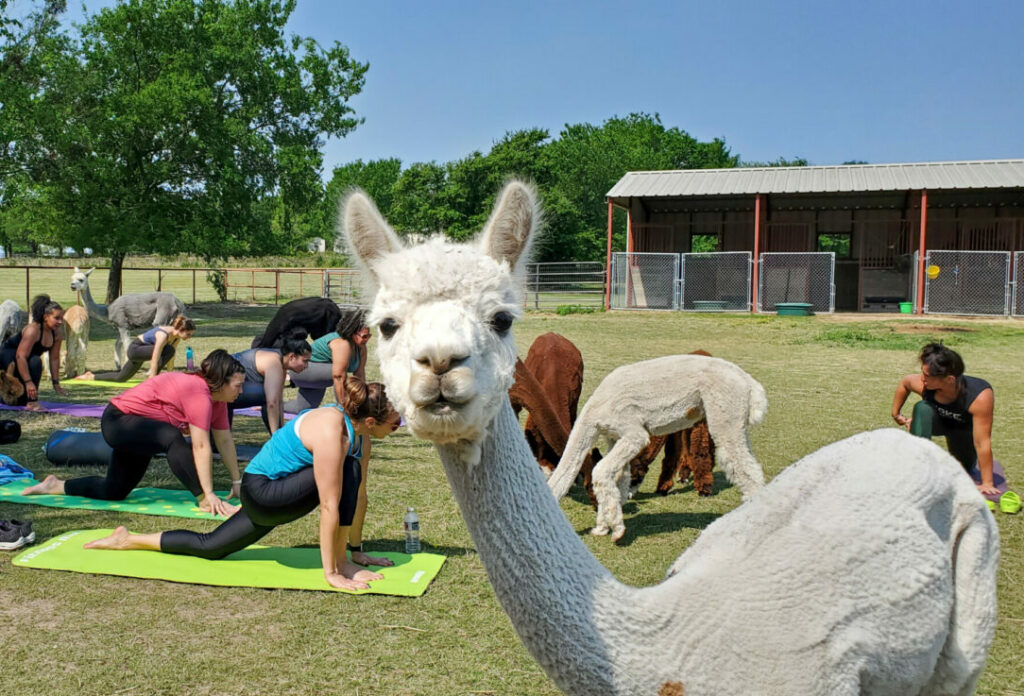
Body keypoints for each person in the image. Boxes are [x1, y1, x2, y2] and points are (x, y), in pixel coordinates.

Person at [84, 377, 402, 591]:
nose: (398, 428)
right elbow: (331, 505)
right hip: (264, 494)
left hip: (268, 494)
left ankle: (128, 538)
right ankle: (339, 563)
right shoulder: (333, 432)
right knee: (349, 470)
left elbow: (355, 498)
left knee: (210, 547)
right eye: (395, 424)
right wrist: (334, 570)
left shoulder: (355, 431)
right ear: (370, 421)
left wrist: (356, 551)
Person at [25, 349, 245, 517]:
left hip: (140, 429)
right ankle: (203, 499)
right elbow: (201, 446)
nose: (241, 391)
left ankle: (56, 485)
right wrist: (208, 494)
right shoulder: (198, 391)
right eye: (237, 385)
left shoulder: (218, 401)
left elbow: (224, 441)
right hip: (118, 422)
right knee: (171, 438)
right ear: (220, 382)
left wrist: (236, 482)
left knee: (113, 491)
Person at [891, 342, 1005, 499]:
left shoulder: (979, 396)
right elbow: (905, 383)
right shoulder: (924, 384)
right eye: (922, 372)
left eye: (927, 376)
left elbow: (982, 442)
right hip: (937, 422)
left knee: (963, 468)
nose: (922, 378)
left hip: (962, 431)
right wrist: (896, 414)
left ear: (949, 379)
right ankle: (918, 471)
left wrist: (987, 483)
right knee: (922, 408)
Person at [284, 308, 369, 413]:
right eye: (364, 336)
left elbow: (359, 374)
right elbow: (338, 377)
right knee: (339, 372)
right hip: (302, 369)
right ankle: (343, 409)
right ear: (352, 332)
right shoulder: (341, 343)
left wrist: (363, 399)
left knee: (302, 409)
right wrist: (344, 407)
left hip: (319, 374)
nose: (367, 339)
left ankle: (271, 404)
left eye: (369, 336)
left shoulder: (361, 347)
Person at [230, 329, 311, 433]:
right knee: (269, 395)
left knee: (273, 395)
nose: (306, 366)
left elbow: (279, 401)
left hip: (225, 388)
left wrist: (281, 431)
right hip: (220, 388)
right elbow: (272, 403)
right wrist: (276, 436)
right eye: (305, 361)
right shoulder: (274, 362)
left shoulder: (281, 363)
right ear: (292, 357)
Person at [75, 315, 196, 382]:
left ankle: (91, 376)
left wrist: (170, 375)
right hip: (135, 350)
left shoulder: (176, 338)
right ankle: (153, 379)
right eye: (188, 334)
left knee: (121, 377)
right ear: (181, 330)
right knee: (168, 350)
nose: (189, 337)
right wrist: (153, 377)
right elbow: (156, 356)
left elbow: (170, 358)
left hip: (143, 351)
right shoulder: (163, 335)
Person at [0, 294, 69, 410]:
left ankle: (24, 400)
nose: (60, 321)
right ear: (45, 317)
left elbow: (54, 359)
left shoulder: (57, 334)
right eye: (56, 318)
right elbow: (20, 356)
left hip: (25, 359)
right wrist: (28, 382)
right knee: (35, 361)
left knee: (18, 402)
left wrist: (56, 383)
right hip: (8, 355)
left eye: (62, 318)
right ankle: (32, 402)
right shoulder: (33, 330)